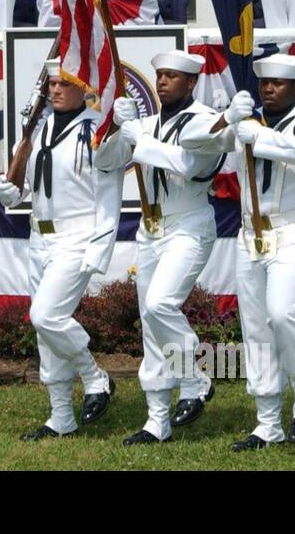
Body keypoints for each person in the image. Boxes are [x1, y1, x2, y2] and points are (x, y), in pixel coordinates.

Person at [180, 54, 295, 451]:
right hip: (251, 235)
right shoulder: (247, 122)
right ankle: (267, 422)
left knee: (282, 314)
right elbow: (191, 142)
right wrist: (228, 119)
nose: (269, 88)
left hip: (294, 229)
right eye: (265, 82)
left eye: (279, 83)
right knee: (256, 329)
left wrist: (261, 137)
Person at [94, 50, 224, 445]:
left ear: (190, 83)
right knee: (151, 324)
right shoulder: (144, 124)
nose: (163, 82)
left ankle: (196, 378)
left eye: (172, 76)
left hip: (188, 226)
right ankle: (157, 419)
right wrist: (118, 129)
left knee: (160, 305)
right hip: (151, 232)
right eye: (160, 75)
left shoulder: (205, 122)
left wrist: (140, 138)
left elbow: (187, 163)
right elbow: (104, 162)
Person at [0, 59, 121, 439]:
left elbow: (109, 194)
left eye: (64, 84)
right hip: (39, 238)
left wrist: (101, 247)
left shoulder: (98, 131)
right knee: (46, 335)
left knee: (46, 315)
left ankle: (95, 376)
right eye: (51, 84)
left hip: (76, 237)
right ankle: (61, 416)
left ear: (84, 87)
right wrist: (10, 190)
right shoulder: (38, 128)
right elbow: (28, 188)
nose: (56, 90)